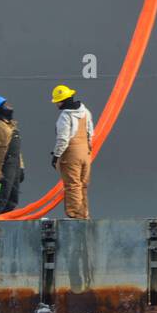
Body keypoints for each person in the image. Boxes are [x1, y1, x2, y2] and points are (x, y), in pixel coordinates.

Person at [52, 85, 95, 219]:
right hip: (85, 153)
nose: (56, 104)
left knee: (72, 185)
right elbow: (90, 132)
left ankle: (75, 216)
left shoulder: (65, 116)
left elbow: (63, 139)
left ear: (62, 101)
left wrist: (56, 155)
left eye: (57, 101)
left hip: (71, 154)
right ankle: (84, 214)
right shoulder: (86, 112)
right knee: (83, 185)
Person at [0, 95, 25, 213]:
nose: (9, 106)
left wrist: (20, 167)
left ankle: (6, 219)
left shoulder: (11, 126)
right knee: (1, 195)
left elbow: (17, 151)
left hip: (14, 164)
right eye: (4, 105)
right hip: (5, 164)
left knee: (13, 198)